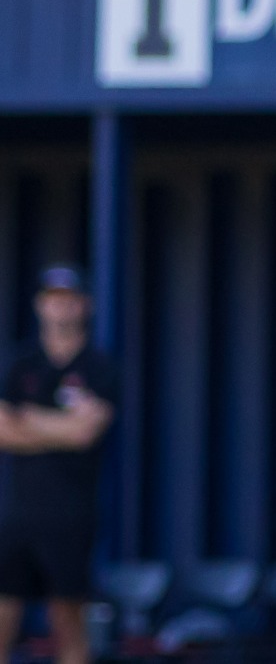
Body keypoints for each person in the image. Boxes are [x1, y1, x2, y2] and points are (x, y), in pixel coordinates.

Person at [0, 265, 117, 664]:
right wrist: (60, 426)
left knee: (67, 619)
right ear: (39, 306)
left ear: (85, 306)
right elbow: (2, 429)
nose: (61, 309)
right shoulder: (21, 364)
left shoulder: (98, 367)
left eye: (69, 300)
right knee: (4, 614)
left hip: (71, 515)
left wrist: (29, 418)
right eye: (53, 300)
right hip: (18, 514)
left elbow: (86, 433)